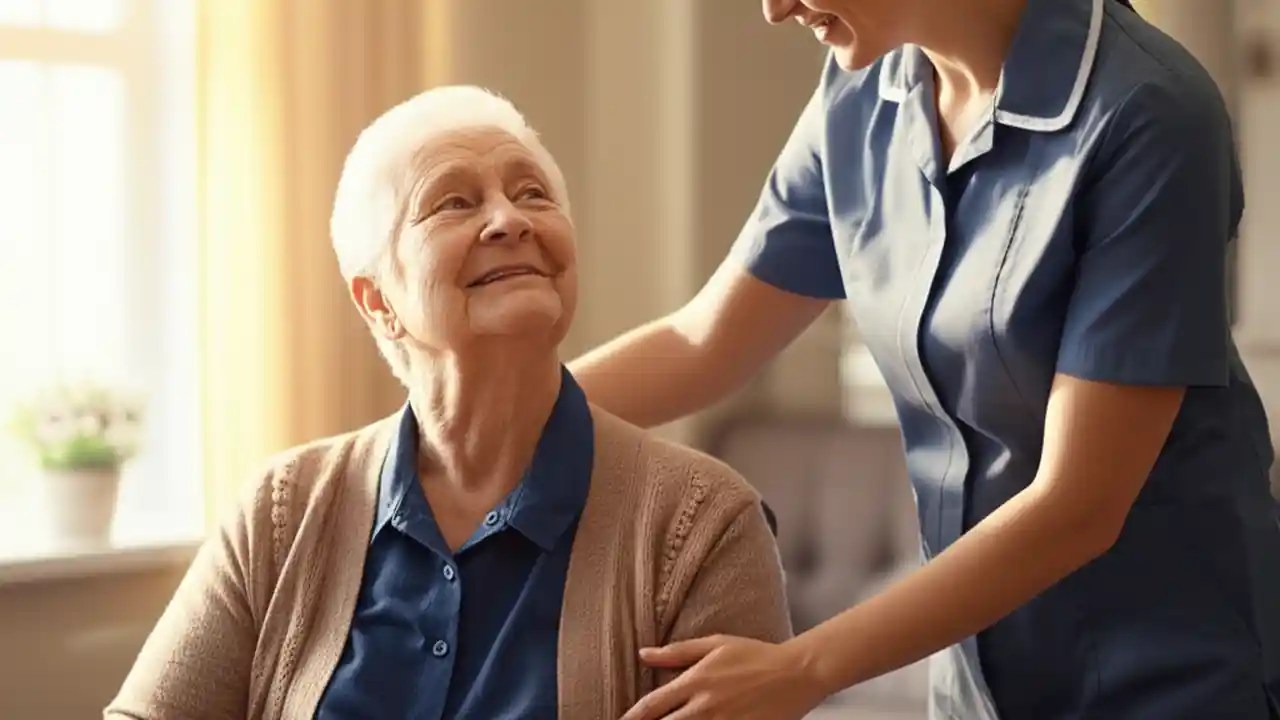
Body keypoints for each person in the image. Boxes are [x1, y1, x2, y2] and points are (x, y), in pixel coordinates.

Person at [571, 0, 1280, 718]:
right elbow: (705, 343)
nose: (773, 9)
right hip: (976, 689)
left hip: (1167, 685)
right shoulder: (859, 98)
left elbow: (1079, 505)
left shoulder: (1149, 113)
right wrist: (484, 413)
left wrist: (803, 668)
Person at [105, 86, 791, 720]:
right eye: (454, 202)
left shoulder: (700, 526)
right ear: (378, 302)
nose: (509, 219)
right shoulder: (282, 511)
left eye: (532, 193)